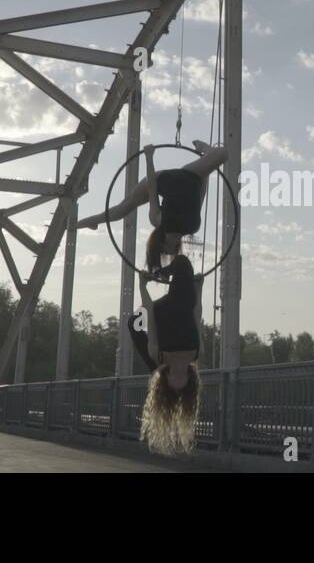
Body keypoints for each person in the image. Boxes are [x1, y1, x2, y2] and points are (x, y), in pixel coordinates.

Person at [76, 140, 228, 268]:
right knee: (223, 154)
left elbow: (152, 188)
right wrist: (206, 173)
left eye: (165, 249)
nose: (171, 248)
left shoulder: (158, 221)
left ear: (161, 243)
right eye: (171, 250)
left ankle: (87, 221)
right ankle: (92, 222)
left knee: (126, 206)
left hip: (162, 180)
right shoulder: (192, 226)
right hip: (190, 176)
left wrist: (149, 158)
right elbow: (199, 197)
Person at [126, 249, 205, 456]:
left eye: (173, 379)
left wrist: (142, 285)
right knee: (183, 263)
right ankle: (162, 272)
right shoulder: (197, 353)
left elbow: (150, 313)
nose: (178, 375)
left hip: (162, 310)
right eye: (183, 380)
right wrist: (199, 289)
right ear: (190, 379)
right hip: (184, 302)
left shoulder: (157, 354)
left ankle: (161, 273)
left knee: (134, 324)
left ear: (166, 378)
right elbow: (197, 315)